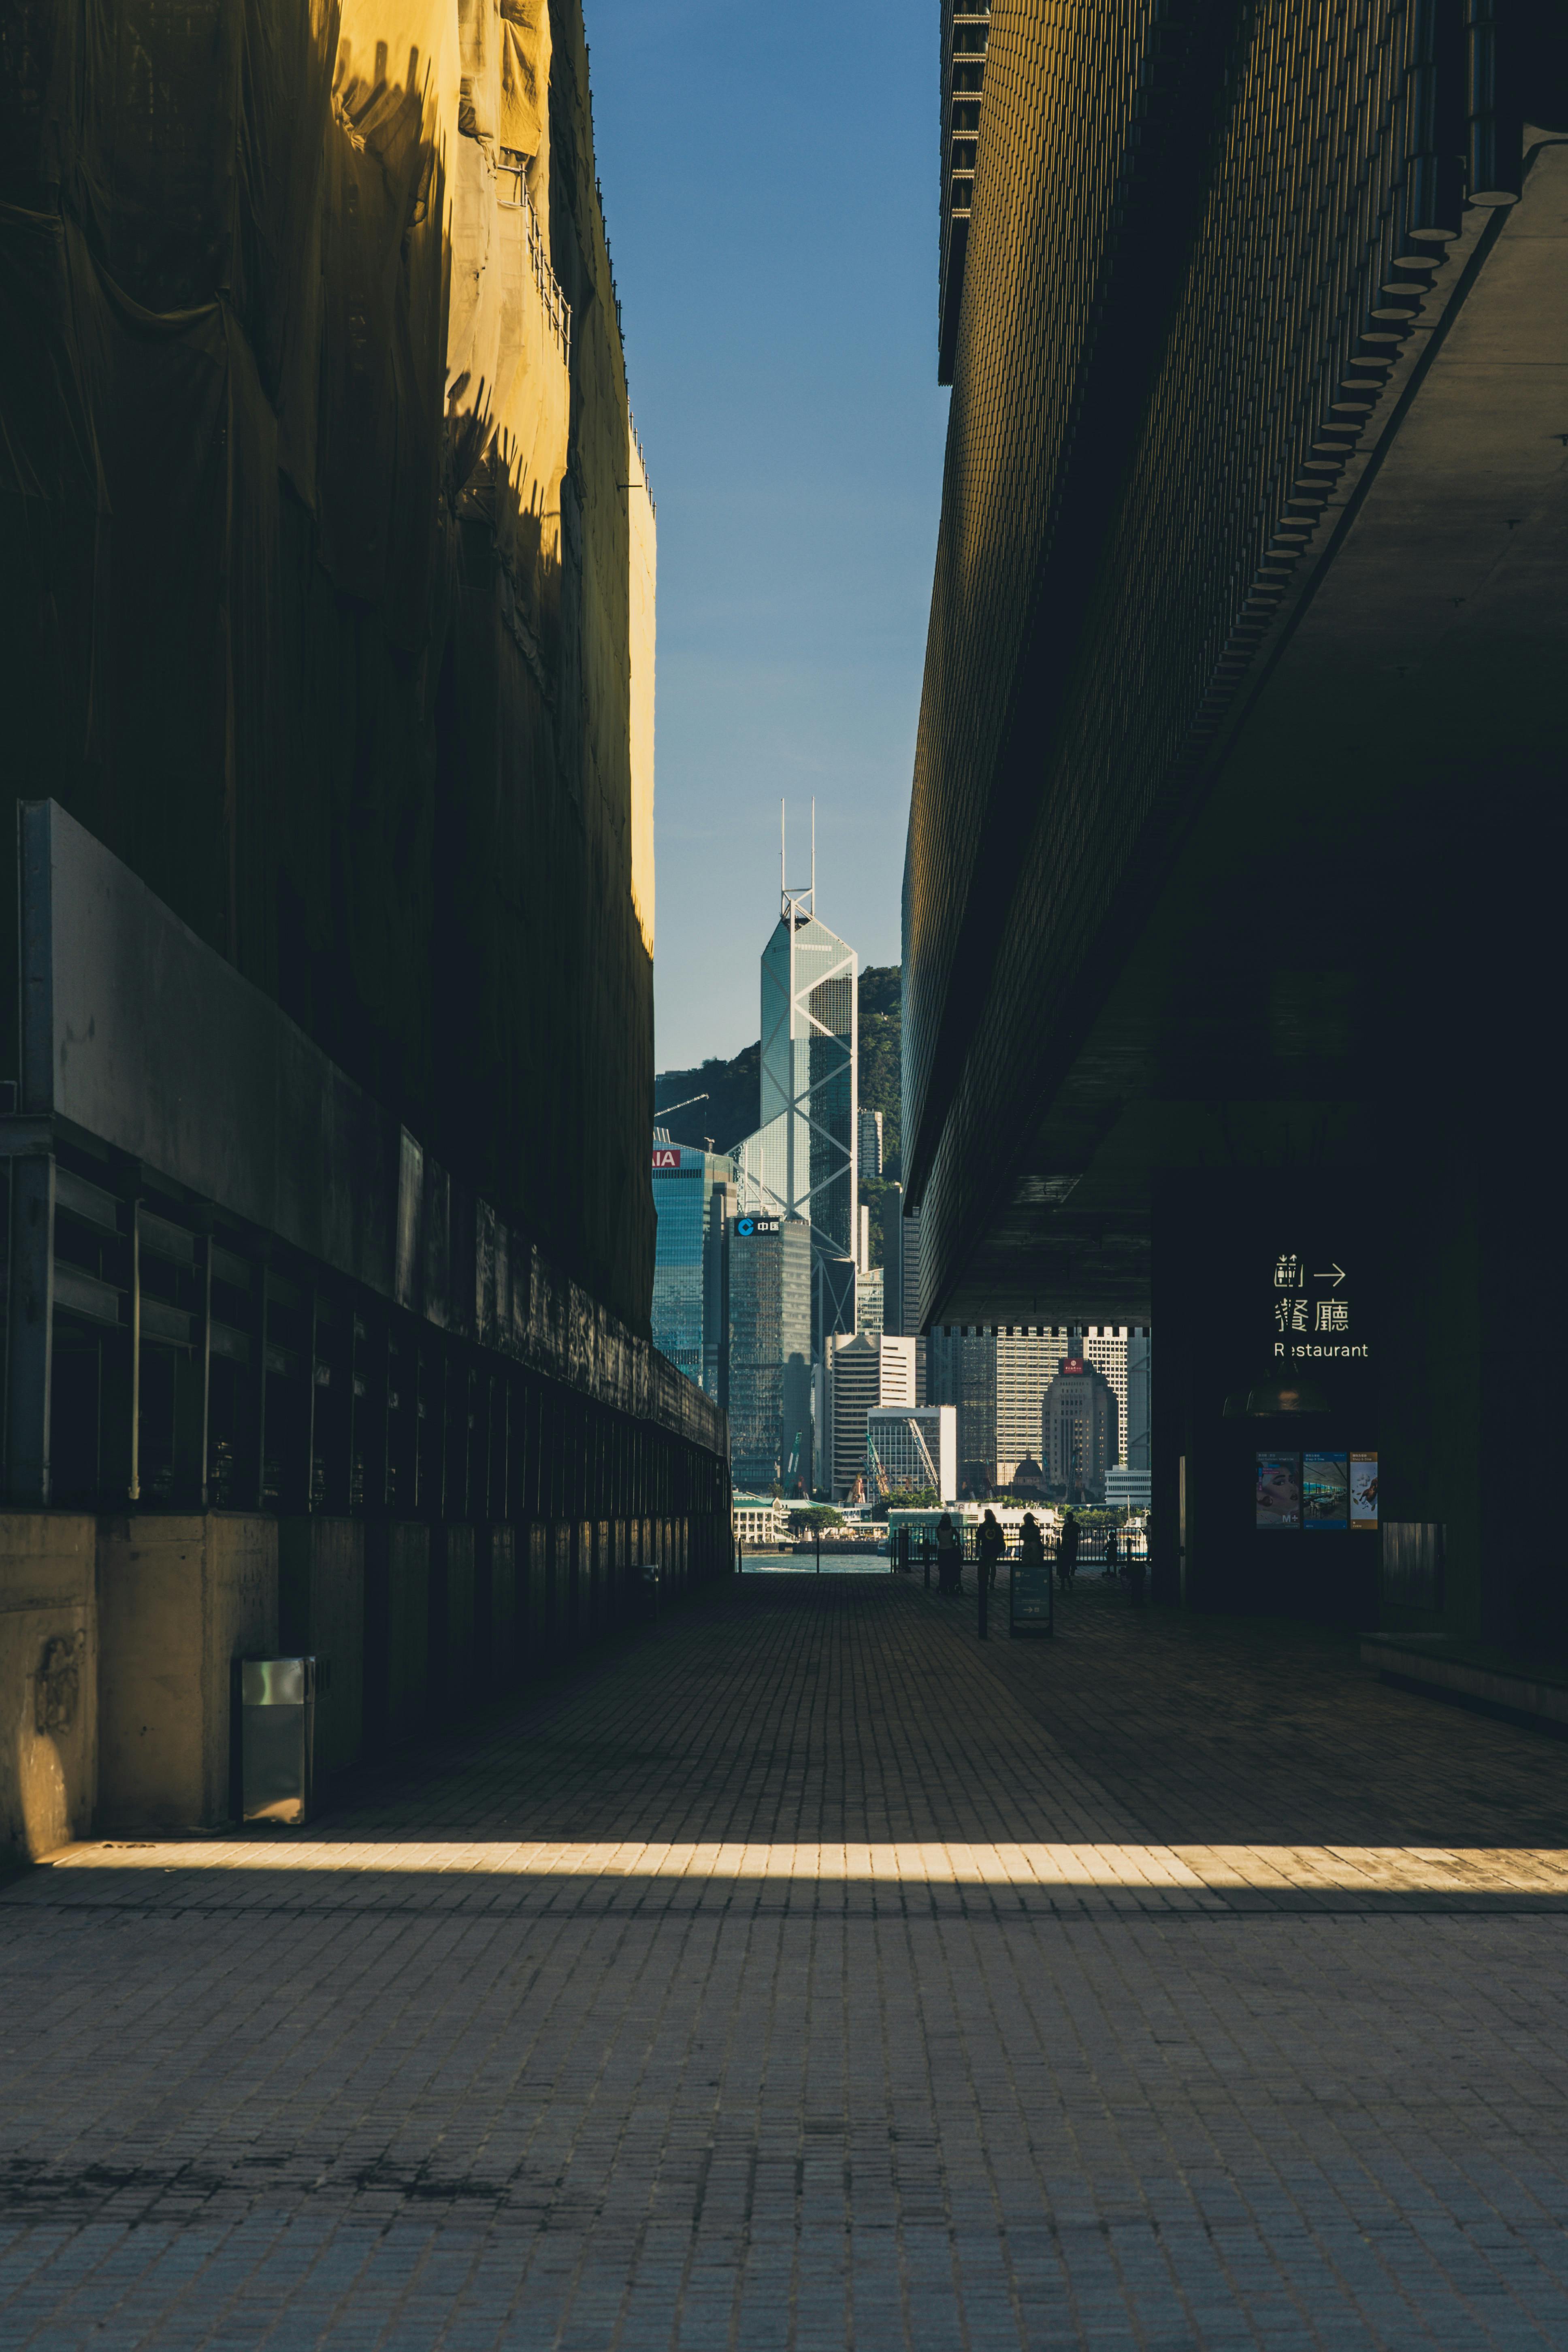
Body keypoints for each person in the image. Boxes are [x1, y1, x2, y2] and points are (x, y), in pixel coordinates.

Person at [977, 1508, 1005, 1597]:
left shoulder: (982, 1526)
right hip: (995, 1548)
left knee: (986, 1566)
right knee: (993, 1566)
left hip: (985, 1547)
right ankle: (992, 1582)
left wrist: (978, 1547)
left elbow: (978, 1537)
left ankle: (985, 1581)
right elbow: (1001, 1535)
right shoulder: (997, 1526)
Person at [935, 1512, 962, 1596]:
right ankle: (951, 1587)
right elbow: (958, 1536)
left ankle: (943, 1587)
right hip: (950, 1551)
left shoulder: (939, 1529)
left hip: (941, 1551)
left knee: (943, 1570)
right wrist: (957, 1544)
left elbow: (939, 1539)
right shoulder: (952, 1529)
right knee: (951, 1570)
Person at [1059, 1509, 1080, 1591]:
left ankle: (1071, 1570)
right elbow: (1078, 1532)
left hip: (1068, 1544)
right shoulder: (1076, 1525)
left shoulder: (1066, 1526)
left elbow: (1063, 1535)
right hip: (1073, 1544)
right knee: (1073, 1557)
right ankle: (1073, 1568)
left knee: (1066, 1561)